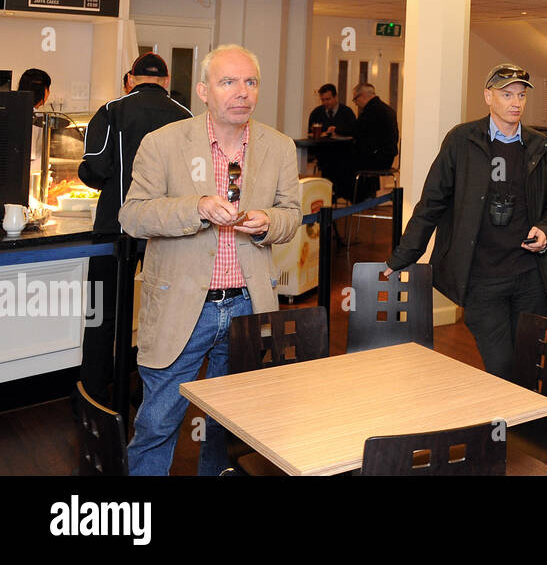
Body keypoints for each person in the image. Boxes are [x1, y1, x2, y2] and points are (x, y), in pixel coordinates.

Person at [118, 44, 301, 475]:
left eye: (250, 82)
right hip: (183, 305)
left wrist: (267, 221)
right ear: (203, 90)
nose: (242, 92)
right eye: (228, 82)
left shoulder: (278, 147)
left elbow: (291, 216)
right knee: (158, 423)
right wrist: (196, 206)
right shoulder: (162, 144)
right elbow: (132, 216)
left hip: (247, 306)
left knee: (227, 429)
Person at [385, 64, 547, 378]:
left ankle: (517, 427)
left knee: (528, 366)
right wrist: (403, 256)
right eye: (507, 94)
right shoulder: (462, 141)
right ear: (488, 96)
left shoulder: (542, 147)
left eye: (521, 95)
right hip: (482, 279)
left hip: (530, 278)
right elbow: (432, 202)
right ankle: (504, 424)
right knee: (500, 368)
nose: (516, 102)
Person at [77, 52, 191, 403]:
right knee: (158, 312)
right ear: (166, 80)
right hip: (166, 231)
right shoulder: (185, 117)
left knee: (101, 311)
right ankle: (147, 390)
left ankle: (93, 391)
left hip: (115, 227)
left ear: (131, 79)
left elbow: (94, 170)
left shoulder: (111, 110)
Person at [344, 82, 399, 202]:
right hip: (387, 159)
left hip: (376, 160)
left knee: (341, 161)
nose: (356, 103)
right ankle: (369, 194)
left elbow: (355, 130)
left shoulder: (372, 111)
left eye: (355, 99)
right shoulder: (387, 109)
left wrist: (336, 130)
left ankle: (353, 198)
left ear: (362, 96)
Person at [306, 82, 357, 198]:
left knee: (340, 164)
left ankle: (334, 194)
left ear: (335, 97)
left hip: (343, 151)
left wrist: (338, 131)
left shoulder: (347, 112)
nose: (325, 103)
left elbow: (354, 131)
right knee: (328, 162)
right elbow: (310, 132)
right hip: (323, 152)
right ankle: (328, 195)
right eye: (323, 100)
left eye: (328, 99)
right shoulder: (316, 113)